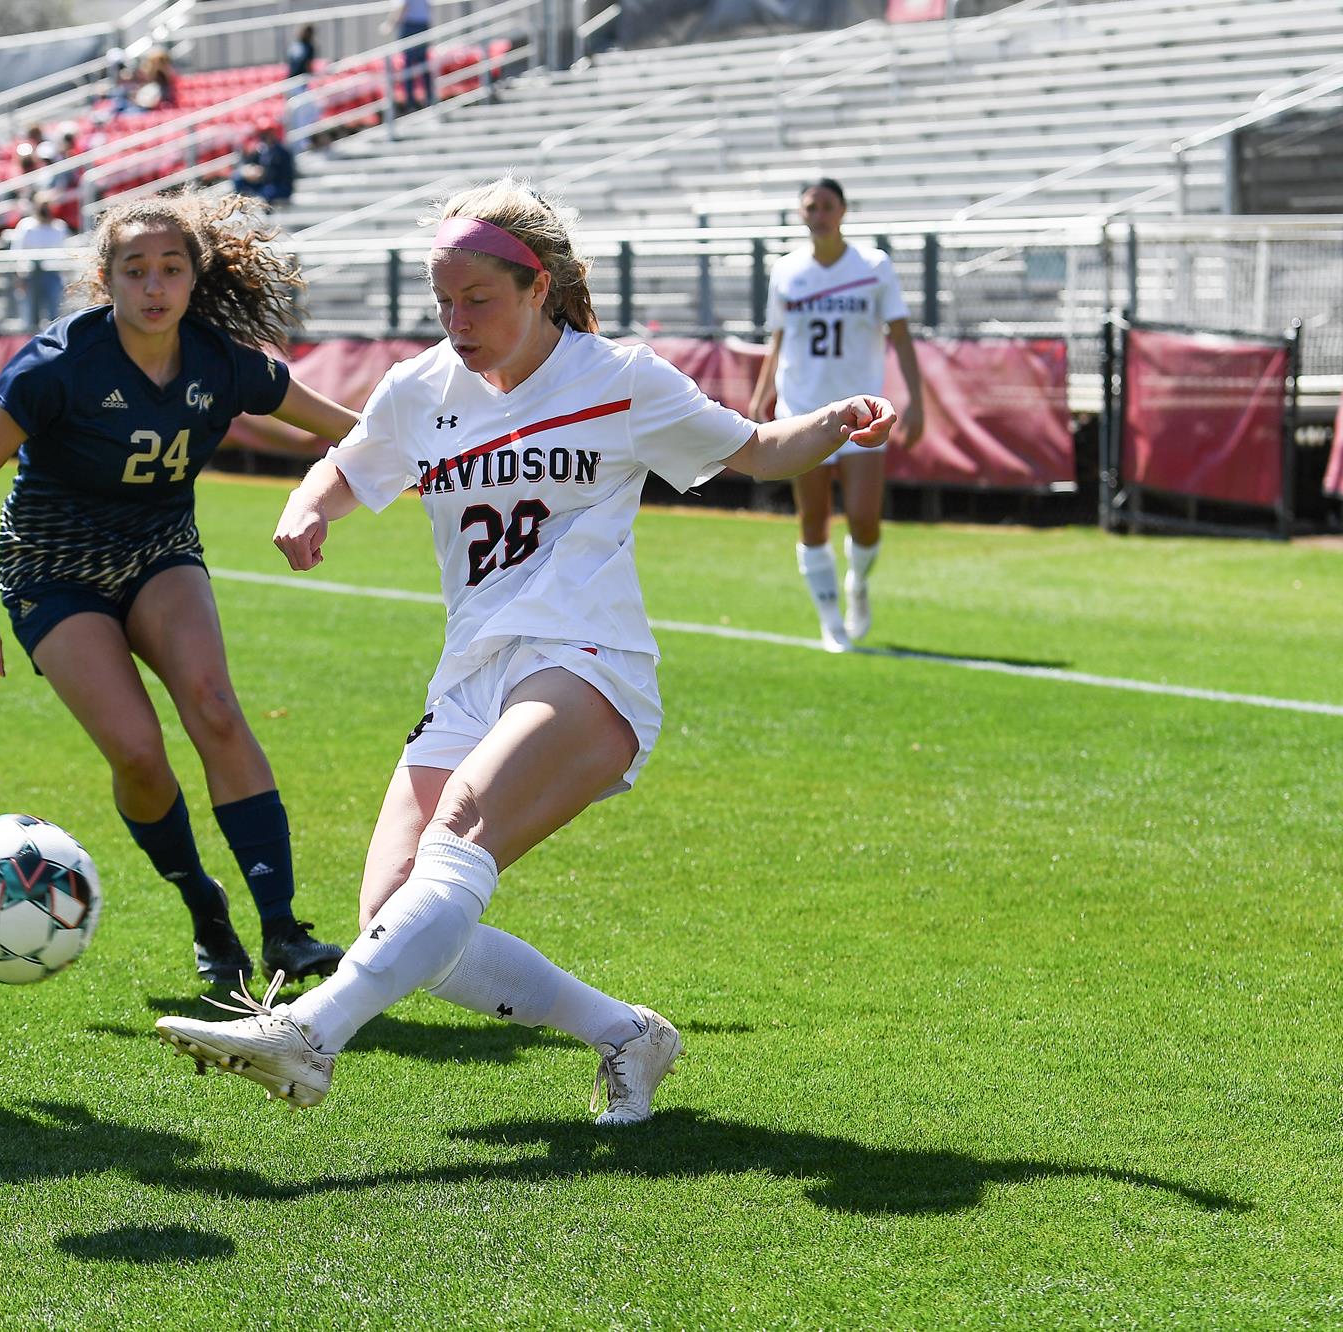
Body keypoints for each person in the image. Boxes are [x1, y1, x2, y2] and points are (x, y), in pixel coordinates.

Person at [155, 179, 894, 1122]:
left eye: (477, 299)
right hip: (472, 672)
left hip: (588, 659)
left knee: (460, 826)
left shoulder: (618, 378)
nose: (456, 321)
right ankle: (627, 1034)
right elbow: (348, 464)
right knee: (393, 912)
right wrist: (309, 505)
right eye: (442, 301)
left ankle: (308, 1034)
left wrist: (835, 422)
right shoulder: (420, 388)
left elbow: (757, 449)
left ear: (538, 286)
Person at [0, 192, 362, 989]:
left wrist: (449, 455)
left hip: (160, 554)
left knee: (215, 707)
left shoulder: (220, 360)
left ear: (195, 278)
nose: (154, 286)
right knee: (136, 752)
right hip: (52, 571)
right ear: (107, 279)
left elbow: (348, 428)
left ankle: (282, 929)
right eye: (135, 270)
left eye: (171, 269)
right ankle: (204, 904)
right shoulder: (58, 363)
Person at [750, 177, 923, 651]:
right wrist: (763, 395)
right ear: (801, 214)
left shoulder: (873, 266)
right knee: (814, 519)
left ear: (843, 211)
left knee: (865, 519)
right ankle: (830, 619)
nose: (819, 215)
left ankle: (858, 583)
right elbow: (778, 338)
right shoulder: (787, 270)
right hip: (802, 409)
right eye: (811, 207)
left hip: (861, 410)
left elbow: (901, 335)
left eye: (827, 206)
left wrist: (916, 400)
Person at [11, 195, 73, 328]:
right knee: (30, 316)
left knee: (55, 316)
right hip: (30, 275)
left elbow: (65, 253)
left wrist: (66, 278)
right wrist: (19, 277)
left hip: (53, 275)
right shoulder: (26, 226)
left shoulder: (59, 227)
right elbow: (17, 252)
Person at [383, 0, 434, 111]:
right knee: (423, 63)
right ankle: (429, 98)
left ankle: (410, 102)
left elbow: (402, 6)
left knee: (409, 65)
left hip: (411, 25)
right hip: (423, 23)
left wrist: (390, 24)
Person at [231, 126, 295, 207]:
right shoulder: (260, 148)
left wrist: (263, 173)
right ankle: (239, 203)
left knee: (266, 193)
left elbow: (283, 174)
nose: (264, 136)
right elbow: (250, 163)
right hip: (262, 183)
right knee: (237, 177)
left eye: (267, 133)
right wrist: (249, 171)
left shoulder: (282, 152)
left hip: (278, 185)